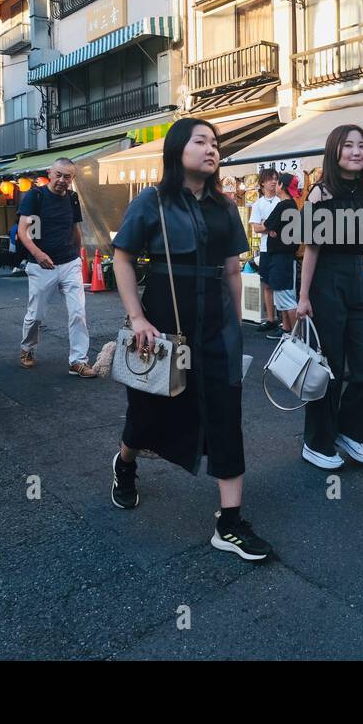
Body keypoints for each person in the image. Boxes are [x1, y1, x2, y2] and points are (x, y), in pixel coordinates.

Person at [110, 118, 273, 562]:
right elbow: (122, 258)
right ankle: (125, 463)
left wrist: (236, 327)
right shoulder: (152, 202)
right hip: (162, 322)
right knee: (148, 411)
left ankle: (230, 522)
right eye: (200, 141)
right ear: (178, 149)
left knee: (225, 415)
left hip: (217, 327)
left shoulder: (223, 206)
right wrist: (137, 317)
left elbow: (234, 271)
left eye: (215, 143)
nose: (211, 148)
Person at [294, 125, 363, 470]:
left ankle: (349, 431)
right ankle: (317, 442)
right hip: (325, 281)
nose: (356, 152)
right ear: (335, 151)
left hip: (357, 280)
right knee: (328, 367)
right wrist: (303, 296)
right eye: (348, 146)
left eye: (362, 146)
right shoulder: (320, 194)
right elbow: (311, 249)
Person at [17, 158, 97, 377]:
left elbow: (74, 229)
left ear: (73, 178)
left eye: (67, 176)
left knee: (78, 312)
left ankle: (78, 361)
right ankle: (27, 348)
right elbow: (22, 231)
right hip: (41, 265)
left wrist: (81, 257)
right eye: (59, 175)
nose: (62, 180)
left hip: (70, 262)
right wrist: (38, 253)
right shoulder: (36, 196)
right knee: (36, 315)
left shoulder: (72, 198)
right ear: (49, 173)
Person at [261, 172, 302, 337]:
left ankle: (296, 336)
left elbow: (267, 224)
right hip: (285, 257)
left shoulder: (283, 205)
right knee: (284, 298)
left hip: (281, 258)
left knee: (287, 299)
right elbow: (269, 226)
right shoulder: (291, 205)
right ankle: (288, 331)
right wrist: (270, 228)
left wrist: (271, 228)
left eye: (277, 182)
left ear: (282, 186)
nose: (274, 185)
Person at [249, 168, 281, 334]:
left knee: (280, 285)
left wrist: (265, 225)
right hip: (265, 249)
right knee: (266, 284)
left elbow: (283, 226)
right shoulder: (257, 204)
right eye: (270, 179)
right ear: (262, 182)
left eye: (275, 179)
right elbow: (255, 228)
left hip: (281, 248)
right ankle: (270, 319)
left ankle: (283, 320)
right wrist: (269, 229)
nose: (273, 182)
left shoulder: (280, 201)